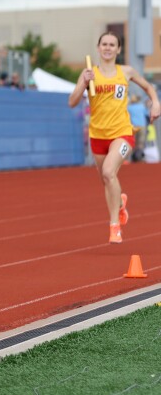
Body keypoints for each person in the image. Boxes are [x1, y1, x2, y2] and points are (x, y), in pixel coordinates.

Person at [68, 32, 160, 243]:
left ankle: (114, 226)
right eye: (104, 44)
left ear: (118, 49)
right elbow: (72, 102)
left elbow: (148, 87)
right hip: (98, 135)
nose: (108, 48)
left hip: (122, 133)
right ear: (98, 48)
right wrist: (83, 83)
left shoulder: (126, 71)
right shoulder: (89, 73)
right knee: (107, 180)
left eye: (112, 45)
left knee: (109, 172)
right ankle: (120, 203)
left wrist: (155, 103)